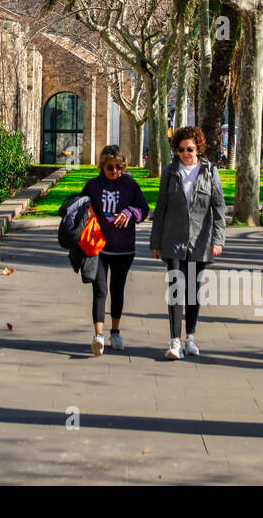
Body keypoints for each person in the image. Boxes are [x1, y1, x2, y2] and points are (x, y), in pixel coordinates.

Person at [149, 126, 226, 360]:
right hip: (172, 240)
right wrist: (155, 241)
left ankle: (190, 336)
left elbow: (219, 208)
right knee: (176, 289)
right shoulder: (169, 172)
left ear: (198, 148)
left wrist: (218, 239)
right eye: (181, 150)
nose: (185, 154)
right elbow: (160, 208)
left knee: (193, 291)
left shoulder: (210, 172)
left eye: (189, 149)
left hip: (199, 241)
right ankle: (174, 341)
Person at [81, 145, 149, 355]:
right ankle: (98, 336)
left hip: (124, 249)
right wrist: (88, 211)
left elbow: (144, 209)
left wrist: (130, 212)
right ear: (102, 167)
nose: (115, 171)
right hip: (99, 248)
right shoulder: (93, 185)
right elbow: (81, 205)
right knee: (100, 290)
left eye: (119, 167)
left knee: (117, 290)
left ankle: (116, 332)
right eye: (110, 167)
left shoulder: (130, 184)